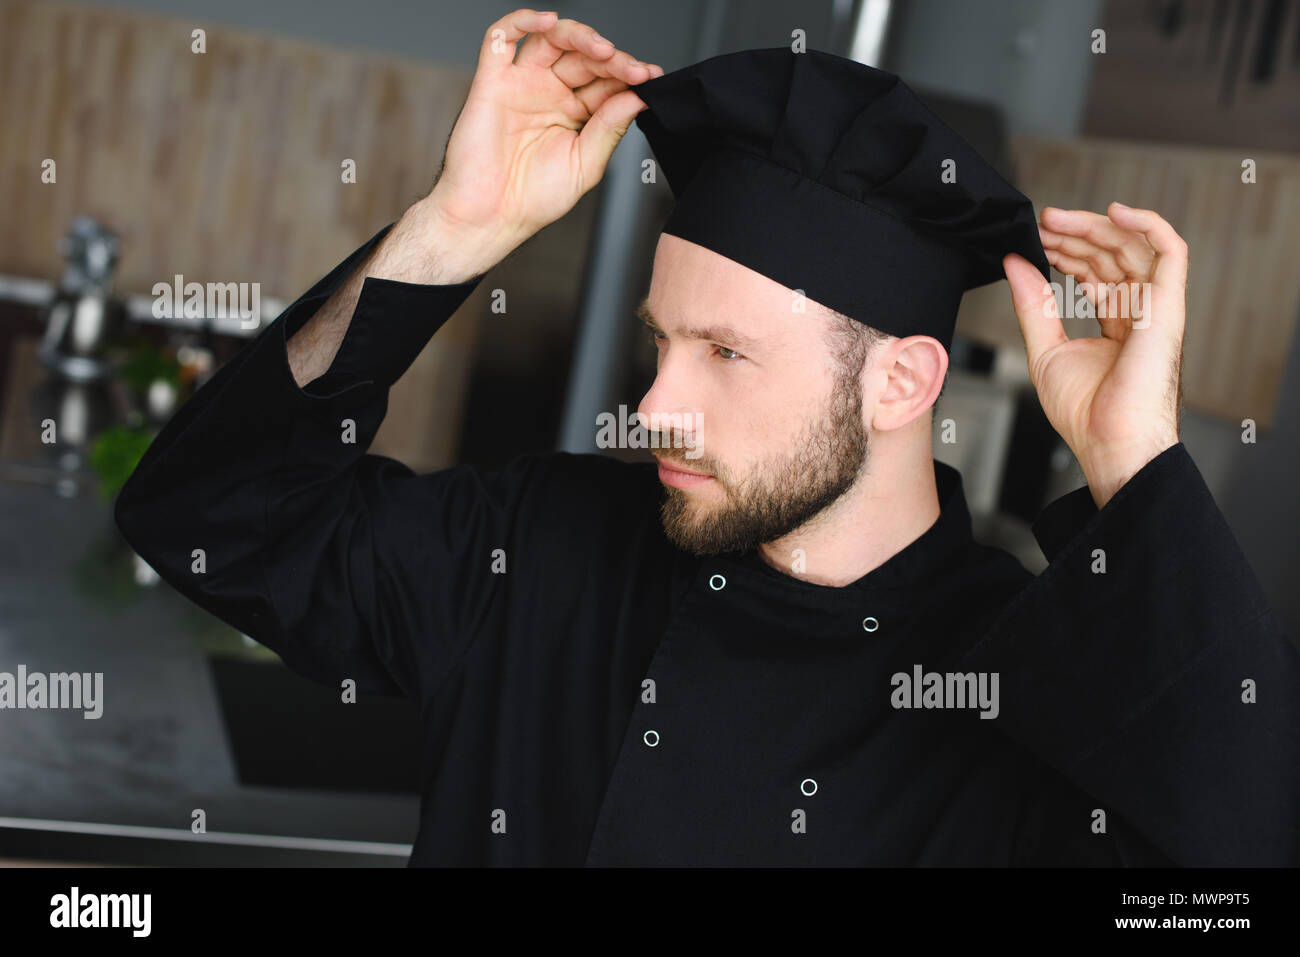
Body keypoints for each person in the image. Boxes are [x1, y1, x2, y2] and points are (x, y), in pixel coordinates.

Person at [114, 9, 1299, 866]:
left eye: (725, 354)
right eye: (660, 343)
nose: (659, 405)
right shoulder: (541, 549)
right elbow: (208, 517)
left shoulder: (1009, 689)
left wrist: (1136, 466)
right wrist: (444, 239)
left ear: (901, 380)